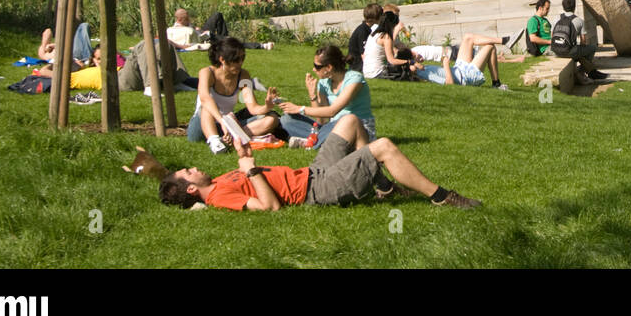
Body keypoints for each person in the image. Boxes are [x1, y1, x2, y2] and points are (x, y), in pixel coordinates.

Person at [159, 114, 481, 210]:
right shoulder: (217, 196)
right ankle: (442, 197)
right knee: (381, 147)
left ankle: (383, 188)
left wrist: (243, 152)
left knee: (350, 121)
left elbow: (248, 169)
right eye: (189, 172)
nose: (195, 168)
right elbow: (271, 208)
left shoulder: (216, 181)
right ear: (190, 190)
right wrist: (251, 169)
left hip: (313, 171)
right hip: (316, 190)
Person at [188, 37, 282, 152]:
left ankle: (233, 139)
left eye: (242, 58)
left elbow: (252, 107)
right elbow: (205, 98)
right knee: (207, 106)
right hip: (203, 126)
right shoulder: (207, 72)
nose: (240, 63)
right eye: (236, 59)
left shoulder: (243, 75)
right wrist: (222, 121)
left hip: (227, 125)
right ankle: (215, 142)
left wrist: (267, 106)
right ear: (222, 59)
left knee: (272, 119)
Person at [280, 44, 377, 148]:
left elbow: (332, 111)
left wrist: (300, 109)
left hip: (357, 128)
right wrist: (312, 95)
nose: (313, 69)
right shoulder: (323, 83)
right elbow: (322, 120)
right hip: (331, 127)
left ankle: (312, 141)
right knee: (287, 119)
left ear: (329, 67)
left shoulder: (354, 79)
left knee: (343, 122)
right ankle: (317, 140)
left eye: (317, 66)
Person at [415, 33, 510, 89]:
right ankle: (496, 84)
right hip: (465, 77)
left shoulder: (421, 69)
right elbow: (449, 84)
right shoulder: (423, 73)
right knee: (490, 47)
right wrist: (446, 65)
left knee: (468, 37)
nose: (417, 55)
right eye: (413, 56)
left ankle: (504, 41)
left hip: (459, 69)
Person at [550, 0, 607, 84]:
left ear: (563, 6)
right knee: (591, 48)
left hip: (555, 50)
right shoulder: (579, 21)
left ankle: (589, 72)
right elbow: (583, 42)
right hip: (568, 51)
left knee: (578, 51)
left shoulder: (556, 19)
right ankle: (582, 71)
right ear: (574, 7)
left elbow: (552, 36)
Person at [362, 10, 422, 80]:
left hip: (367, 72)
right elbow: (391, 60)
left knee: (410, 69)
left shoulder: (373, 34)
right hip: (377, 73)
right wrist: (411, 62)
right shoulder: (386, 37)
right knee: (412, 70)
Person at [348, 3, 383, 71]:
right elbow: (363, 53)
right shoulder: (362, 31)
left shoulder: (370, 28)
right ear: (376, 18)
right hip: (357, 64)